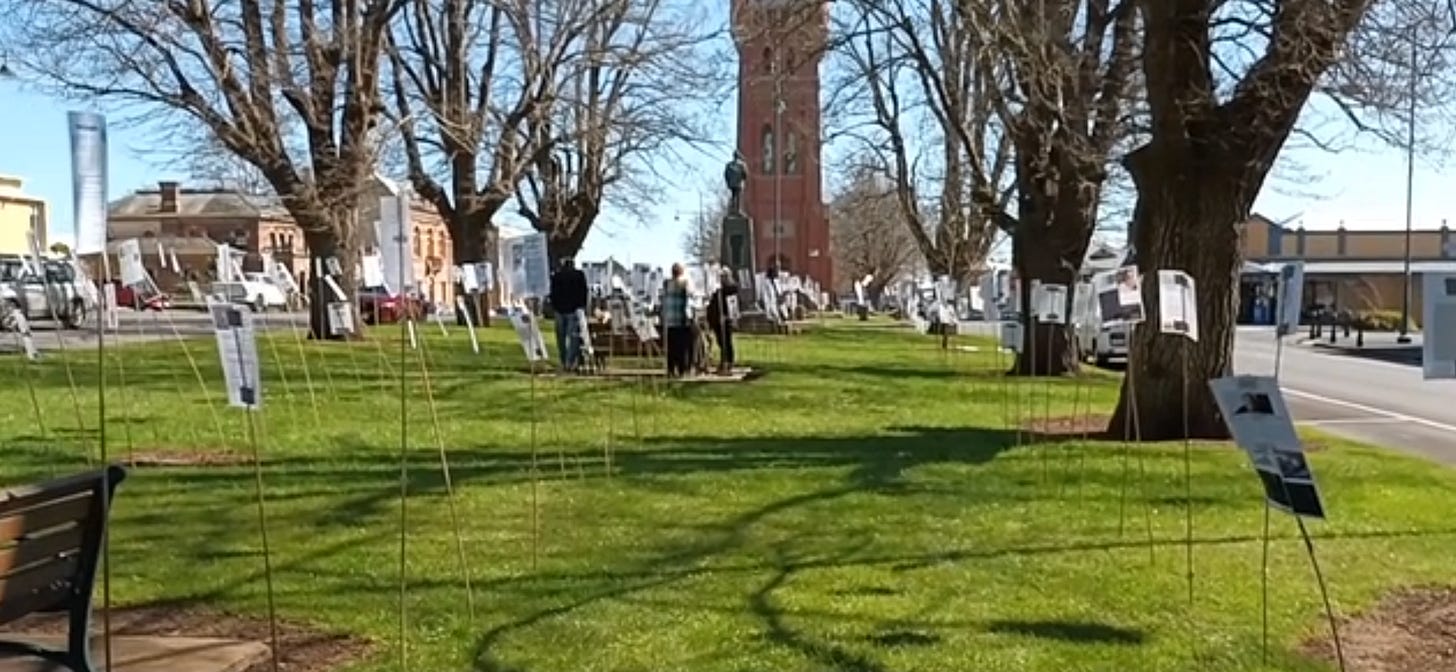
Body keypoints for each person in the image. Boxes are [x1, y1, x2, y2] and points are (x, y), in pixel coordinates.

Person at [549, 257, 589, 371]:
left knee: (561, 338)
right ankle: (569, 362)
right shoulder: (579, 275)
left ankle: (563, 360)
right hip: (573, 309)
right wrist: (582, 306)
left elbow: (552, 292)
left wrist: (554, 306)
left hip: (560, 310)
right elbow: (584, 291)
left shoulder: (557, 276)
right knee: (573, 338)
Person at [661, 263, 693, 377]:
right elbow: (690, 300)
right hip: (681, 319)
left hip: (669, 320)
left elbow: (663, 301)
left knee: (671, 347)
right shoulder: (684, 283)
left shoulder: (666, 284)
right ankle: (681, 369)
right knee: (682, 347)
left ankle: (670, 369)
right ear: (681, 272)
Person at [705, 269, 738, 375]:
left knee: (726, 342)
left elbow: (733, 306)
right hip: (717, 321)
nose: (721, 279)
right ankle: (725, 362)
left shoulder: (732, 290)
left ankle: (728, 362)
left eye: (723, 277)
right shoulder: (719, 291)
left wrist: (729, 317)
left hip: (726, 320)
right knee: (721, 342)